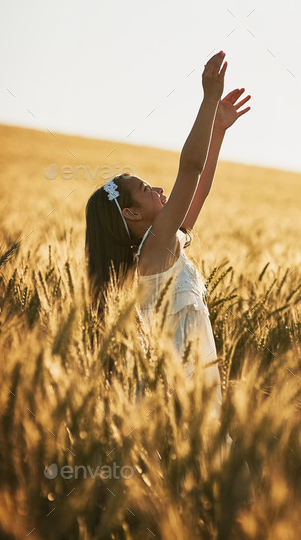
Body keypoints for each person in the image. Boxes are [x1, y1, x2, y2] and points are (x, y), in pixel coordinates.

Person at [85, 51, 251, 423]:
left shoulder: (164, 244)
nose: (158, 188)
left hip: (194, 384)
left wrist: (218, 130)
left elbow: (200, 189)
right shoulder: (154, 249)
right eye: (145, 189)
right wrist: (208, 100)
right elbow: (189, 171)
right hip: (181, 394)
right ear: (131, 213)